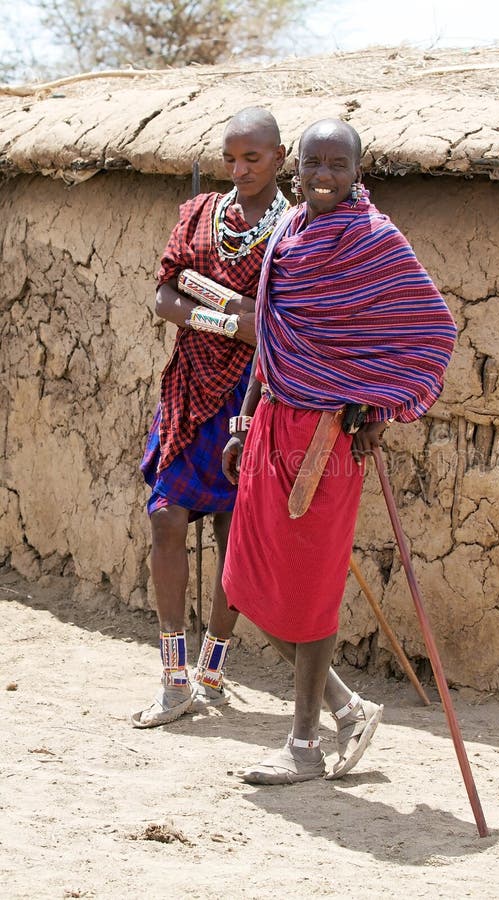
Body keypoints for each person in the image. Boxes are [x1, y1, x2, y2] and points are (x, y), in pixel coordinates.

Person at [220, 118, 457, 782]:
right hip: (271, 424)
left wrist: (379, 405)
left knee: (310, 590)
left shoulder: (374, 242)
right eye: (312, 163)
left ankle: (302, 745)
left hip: (326, 437)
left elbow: (431, 331)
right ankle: (346, 708)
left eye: (337, 165)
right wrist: (242, 421)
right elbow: (273, 337)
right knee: (246, 583)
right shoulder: (289, 232)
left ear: (359, 173)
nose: (323, 176)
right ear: (294, 168)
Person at [130, 108, 289, 728]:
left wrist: (241, 312)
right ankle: (173, 676)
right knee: (166, 517)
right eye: (230, 158)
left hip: (250, 399)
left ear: (279, 159)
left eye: (252, 158)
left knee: (233, 539)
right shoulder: (199, 215)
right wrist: (228, 317)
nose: (239, 169)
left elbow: (281, 321)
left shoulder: (295, 230)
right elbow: (165, 294)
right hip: (189, 385)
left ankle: (213, 670)